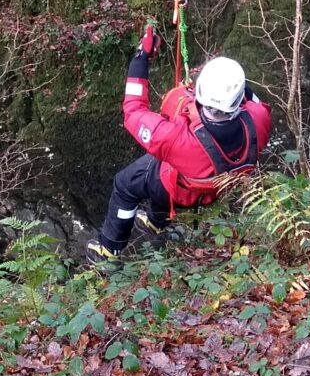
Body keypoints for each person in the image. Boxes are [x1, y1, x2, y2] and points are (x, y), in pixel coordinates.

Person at [86, 25, 272, 265]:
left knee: (125, 184)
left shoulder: (175, 138)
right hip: (213, 190)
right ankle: (156, 222)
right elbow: (254, 100)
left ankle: (109, 250)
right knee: (166, 178)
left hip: (176, 186)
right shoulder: (259, 120)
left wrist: (140, 59)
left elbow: (133, 111)